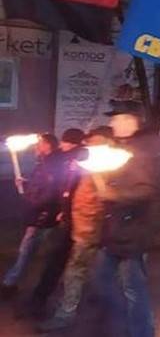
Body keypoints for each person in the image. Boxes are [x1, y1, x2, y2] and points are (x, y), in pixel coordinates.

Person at [96, 101, 160, 337]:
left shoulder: (139, 154)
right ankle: (122, 327)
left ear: (131, 121)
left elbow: (146, 191)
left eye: (116, 118)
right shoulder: (123, 150)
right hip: (117, 231)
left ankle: (140, 332)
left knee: (133, 289)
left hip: (132, 233)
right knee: (104, 282)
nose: (112, 123)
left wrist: (112, 194)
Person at [38, 127, 112, 332]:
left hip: (90, 230)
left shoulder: (107, 166)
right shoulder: (89, 164)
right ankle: (105, 308)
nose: (88, 146)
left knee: (76, 271)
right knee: (92, 272)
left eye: (94, 142)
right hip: (80, 226)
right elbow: (74, 190)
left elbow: (105, 199)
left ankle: (66, 314)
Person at [25, 129, 86, 315]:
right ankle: (41, 299)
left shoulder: (81, 162)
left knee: (70, 263)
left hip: (78, 219)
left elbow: (73, 190)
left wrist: (64, 209)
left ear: (74, 144)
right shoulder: (65, 159)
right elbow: (61, 187)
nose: (61, 145)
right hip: (68, 217)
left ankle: (62, 308)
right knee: (60, 261)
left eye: (65, 142)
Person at [1, 133, 62, 298]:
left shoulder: (52, 165)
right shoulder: (44, 163)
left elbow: (49, 194)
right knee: (28, 251)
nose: (36, 146)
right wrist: (25, 183)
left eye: (40, 143)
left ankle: (10, 284)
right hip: (39, 215)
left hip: (42, 217)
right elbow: (40, 186)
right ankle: (12, 282)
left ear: (48, 145)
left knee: (27, 251)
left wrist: (28, 198)